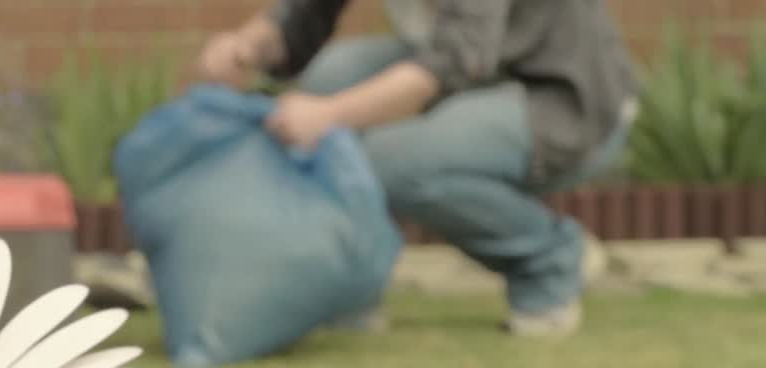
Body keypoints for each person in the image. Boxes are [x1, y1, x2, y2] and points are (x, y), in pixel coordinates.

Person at [196, 0, 638, 337]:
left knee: (393, 161)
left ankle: (551, 262)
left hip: (568, 99)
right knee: (329, 76)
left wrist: (329, 116)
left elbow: (456, 59)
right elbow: (304, 16)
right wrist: (247, 46)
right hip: (482, 77)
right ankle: (346, 286)